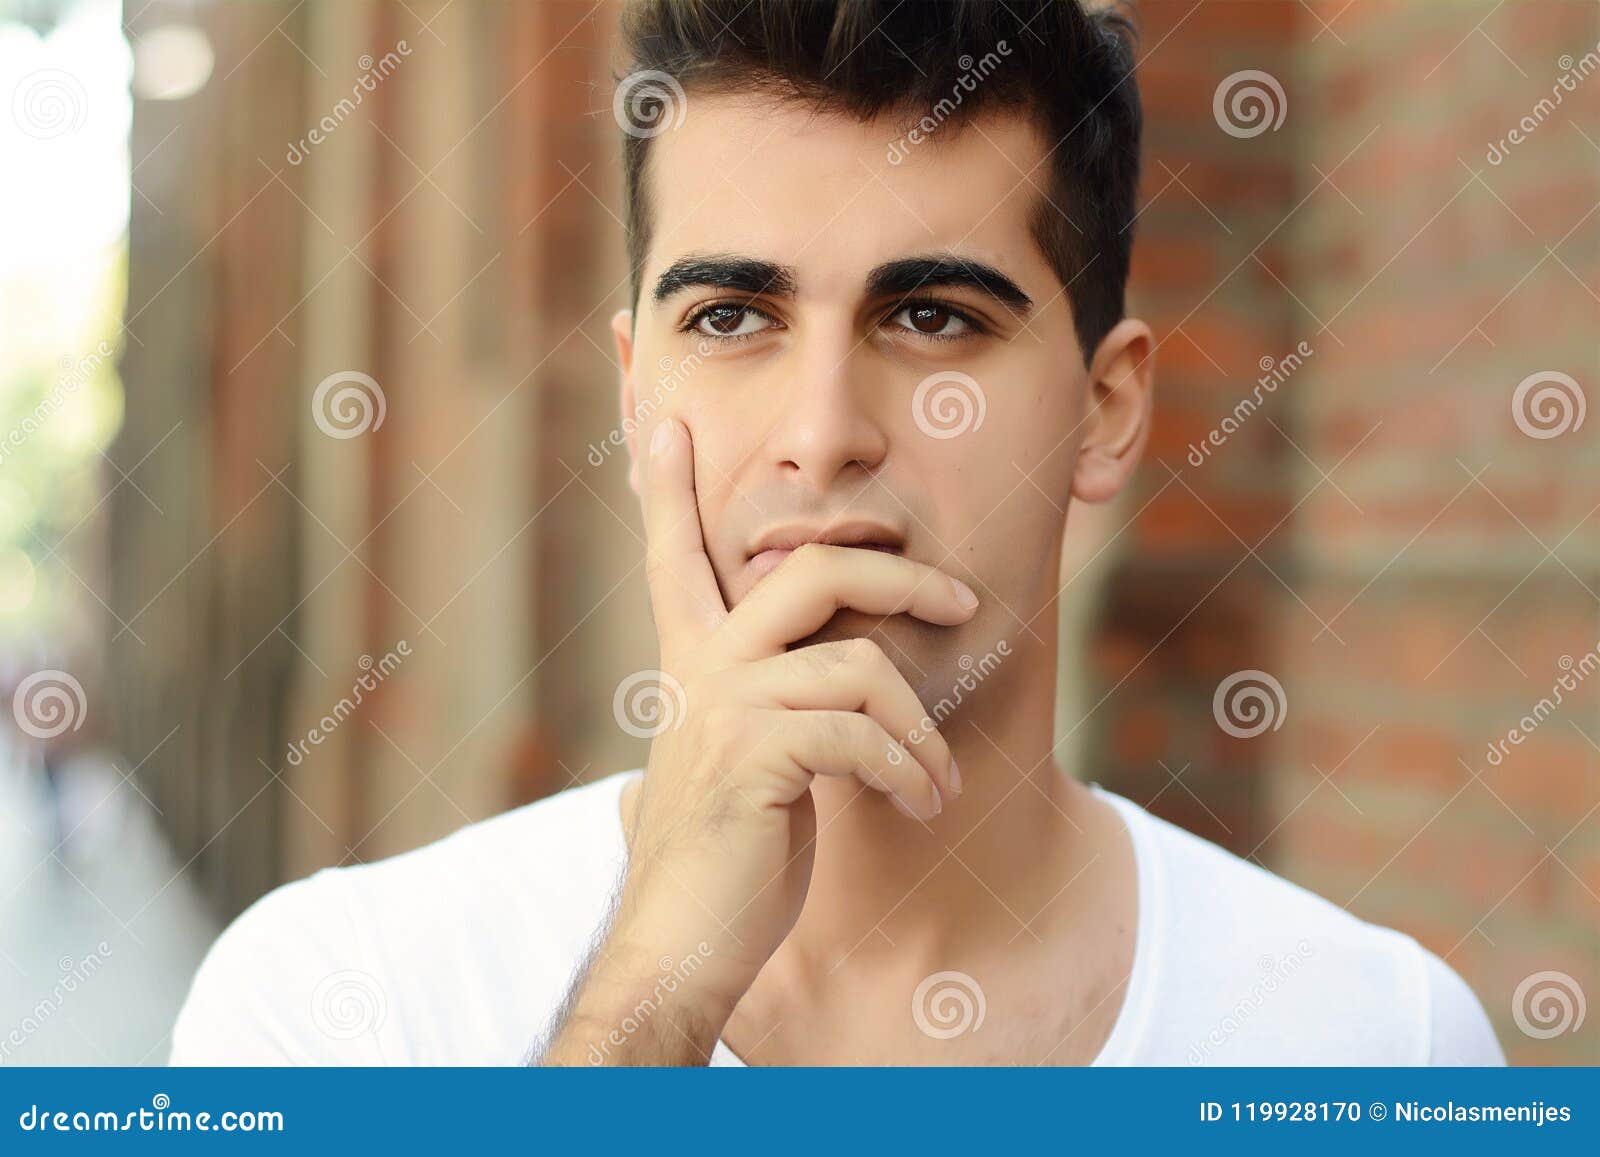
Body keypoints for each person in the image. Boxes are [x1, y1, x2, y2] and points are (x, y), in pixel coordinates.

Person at [169, 0, 1503, 1067]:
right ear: (636, 399)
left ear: (1105, 411)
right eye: (731, 318)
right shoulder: (339, 999)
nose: (823, 433)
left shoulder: (1378, 1045)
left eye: (932, 317)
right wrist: (655, 996)